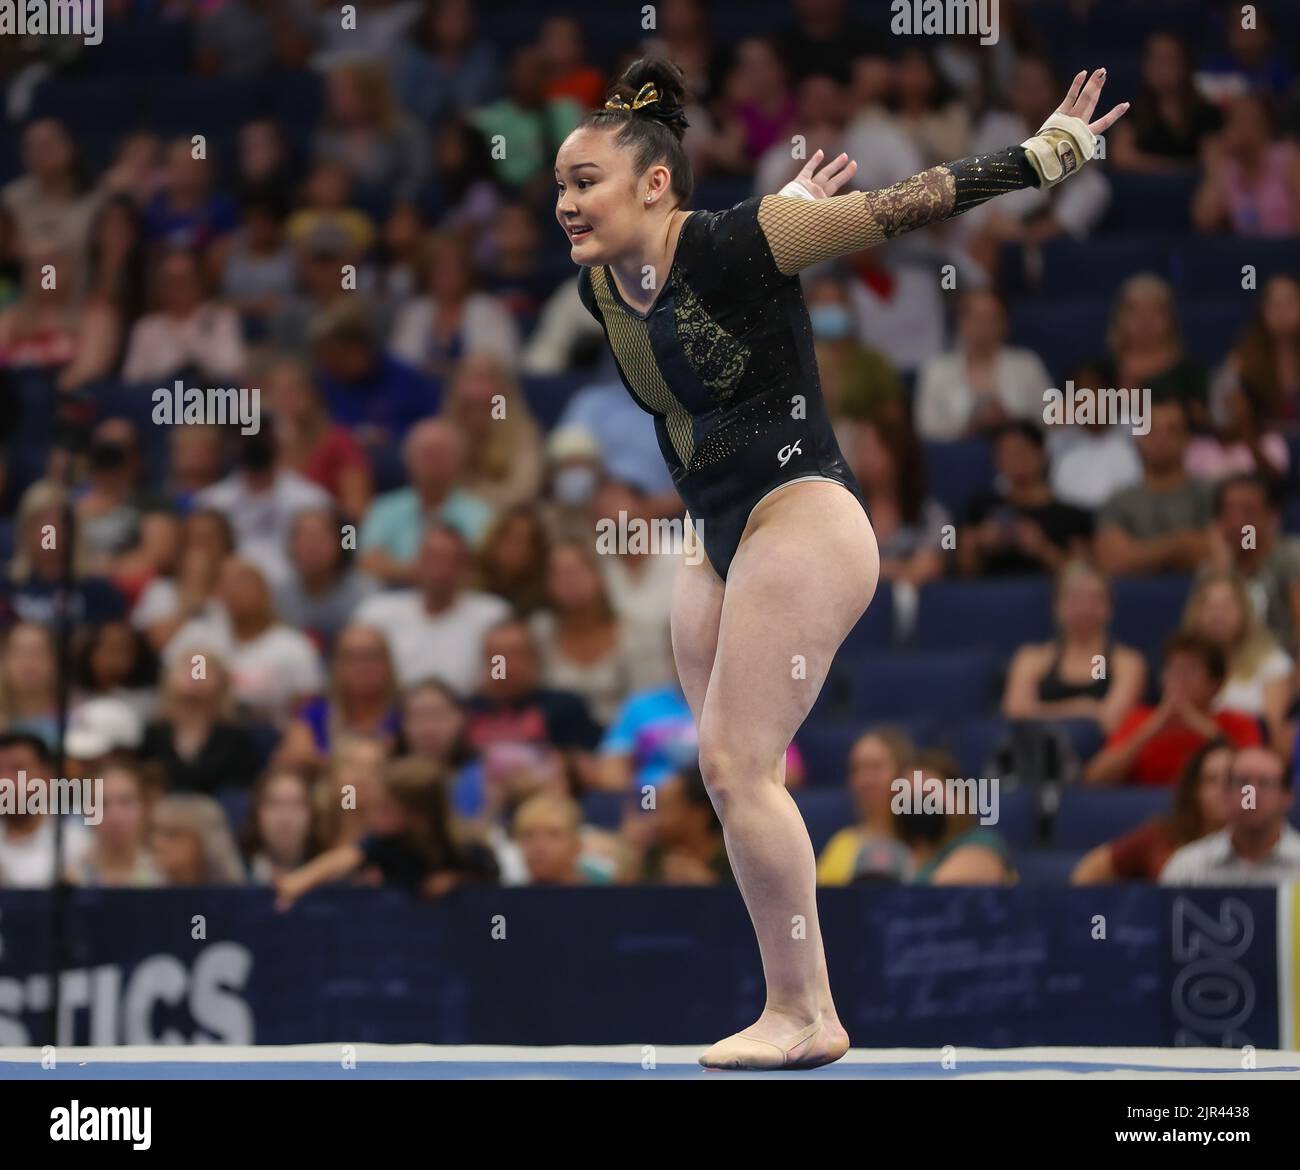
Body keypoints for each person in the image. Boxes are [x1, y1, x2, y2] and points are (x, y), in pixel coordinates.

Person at [557, 55, 1125, 1069]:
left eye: (583, 181)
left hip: (803, 517)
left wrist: (1046, 155)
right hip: (715, 537)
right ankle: (795, 1000)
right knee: (730, 775)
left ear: (654, 183)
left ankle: (805, 1011)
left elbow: (911, 203)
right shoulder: (603, 292)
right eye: (558, 183)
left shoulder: (741, 241)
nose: (564, 202)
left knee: (734, 763)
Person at [274, 757, 499, 904]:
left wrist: (455, 881)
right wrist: (300, 880)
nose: (373, 815)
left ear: (419, 817)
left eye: (385, 809)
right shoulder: (384, 842)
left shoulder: (466, 847)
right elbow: (344, 857)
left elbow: (489, 878)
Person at [1083, 632, 1262, 787]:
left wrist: (1198, 724)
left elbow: (1255, 778)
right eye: (1172, 669)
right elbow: (1094, 779)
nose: (1178, 678)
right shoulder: (1138, 718)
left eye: (1190, 669)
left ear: (1214, 684)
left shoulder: (1237, 722)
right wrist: (1151, 729)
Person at [1001, 561, 1146, 737]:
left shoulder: (1126, 662)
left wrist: (1041, 712)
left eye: (1094, 599)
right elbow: (1015, 712)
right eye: (1075, 598)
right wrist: (1081, 708)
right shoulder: (1033, 657)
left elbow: (1112, 722)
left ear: (1109, 607)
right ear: (1057, 606)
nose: (1085, 608)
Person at [1072, 742, 1233, 884]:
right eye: (1211, 780)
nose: (1223, 788)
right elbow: (1087, 873)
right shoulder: (1161, 836)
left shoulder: (1254, 847)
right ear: (1194, 790)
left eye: (1231, 779)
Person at [1159, 746, 1300, 884]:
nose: (1251, 795)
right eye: (1242, 782)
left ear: (1287, 796)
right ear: (1226, 792)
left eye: (1264, 783)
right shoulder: (1187, 867)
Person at [815, 728, 914, 886]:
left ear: (903, 775)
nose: (864, 780)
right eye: (857, 769)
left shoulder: (924, 843)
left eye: (876, 767)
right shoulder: (842, 844)